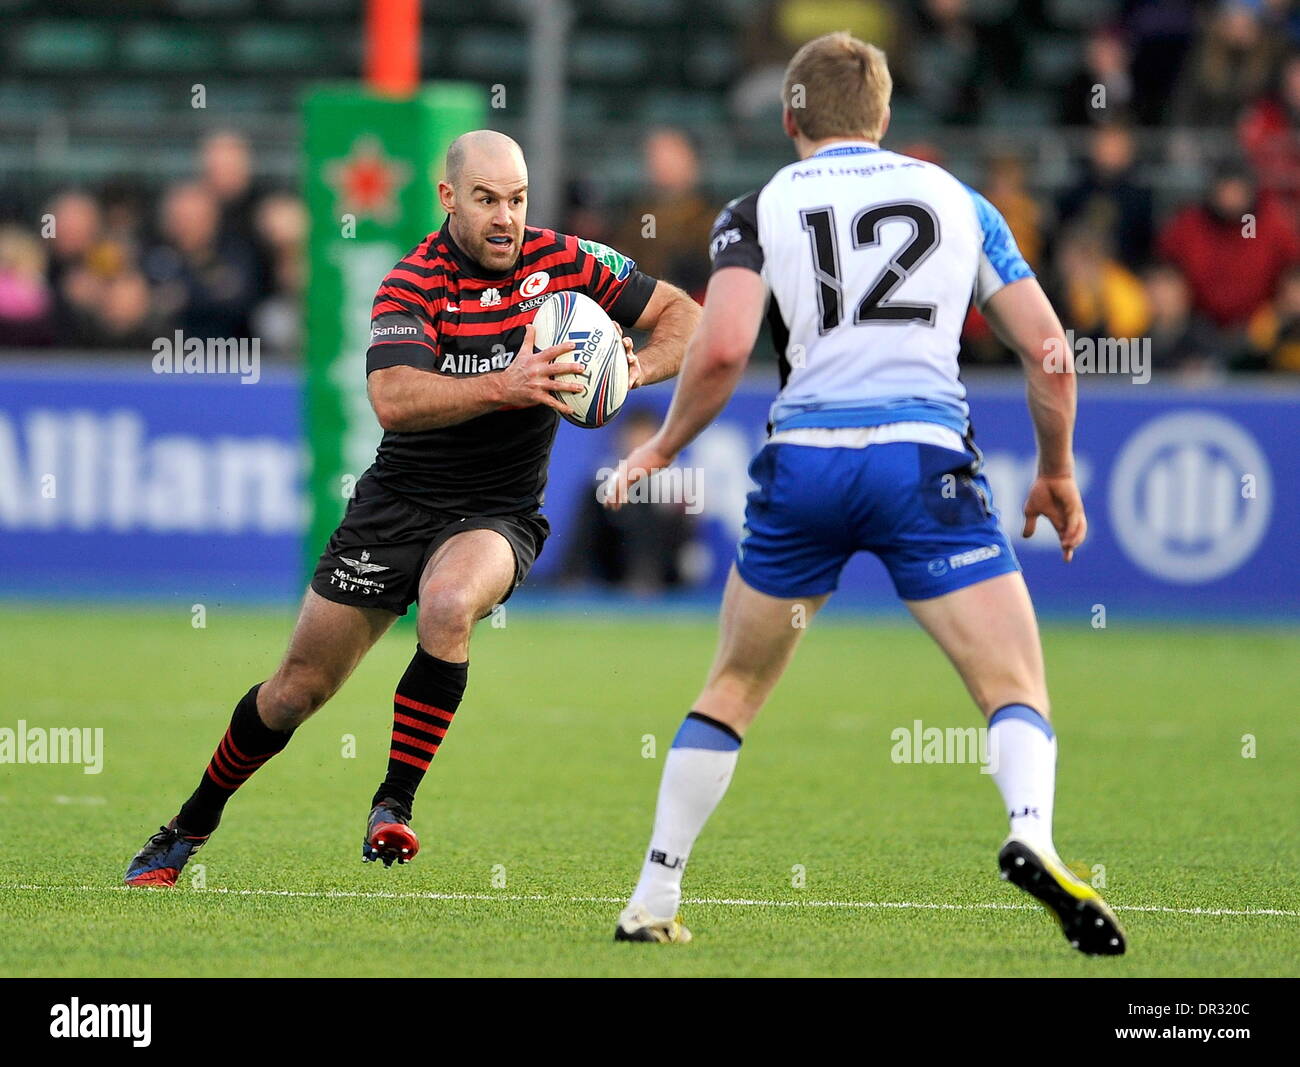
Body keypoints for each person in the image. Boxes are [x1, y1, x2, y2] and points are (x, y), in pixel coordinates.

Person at [605, 32, 1126, 955]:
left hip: (804, 461)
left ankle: (653, 893)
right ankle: (1032, 833)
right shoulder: (959, 201)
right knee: (1012, 681)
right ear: (884, 118)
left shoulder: (757, 207)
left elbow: (722, 349)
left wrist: (663, 448)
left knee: (733, 684)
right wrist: (1055, 468)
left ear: (789, 116)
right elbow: (1049, 351)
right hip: (922, 460)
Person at [124, 130, 700, 885]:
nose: (506, 217)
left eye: (518, 200)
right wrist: (508, 382)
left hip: (498, 511)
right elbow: (393, 397)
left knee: (449, 603)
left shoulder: (569, 262)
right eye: (488, 199)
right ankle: (187, 825)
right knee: (295, 690)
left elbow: (685, 315)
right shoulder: (412, 282)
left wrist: (632, 365)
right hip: (397, 505)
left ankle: (393, 804)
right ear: (449, 197)